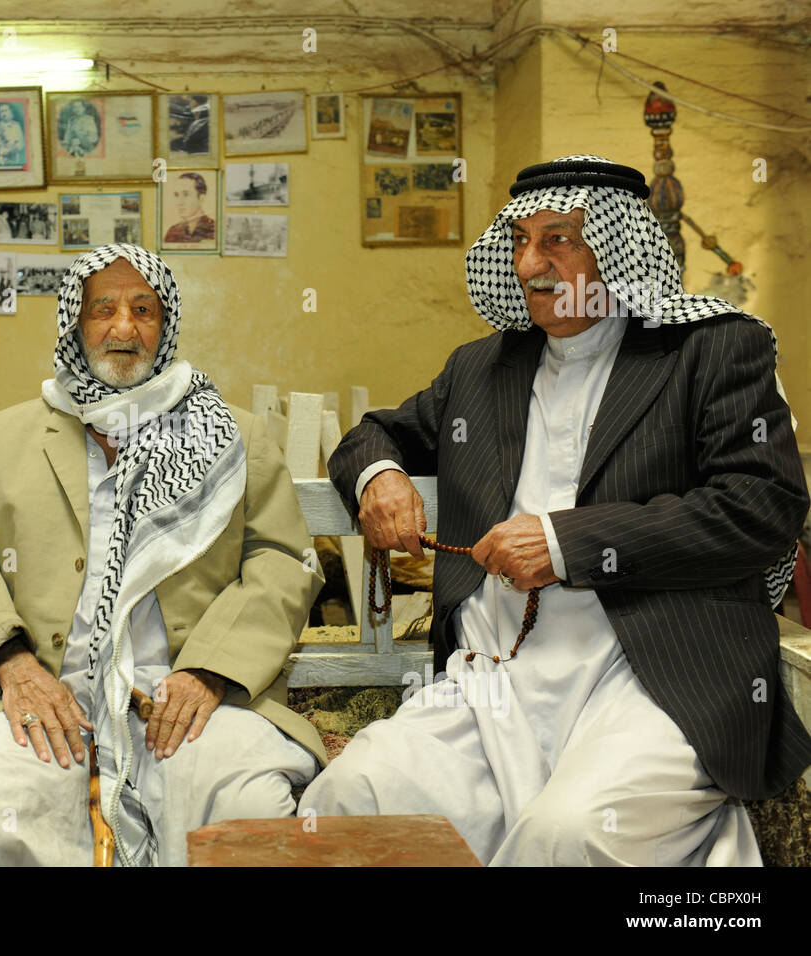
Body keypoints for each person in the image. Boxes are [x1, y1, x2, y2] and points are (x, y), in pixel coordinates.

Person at [302, 155, 811, 866]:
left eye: (559, 239)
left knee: (569, 835)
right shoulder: (483, 369)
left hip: (654, 675)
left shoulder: (712, 351)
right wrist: (381, 476)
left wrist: (567, 543)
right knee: (351, 797)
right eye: (518, 240)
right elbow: (372, 433)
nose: (530, 262)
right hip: (494, 677)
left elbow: (763, 504)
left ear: (616, 244)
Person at [0, 243, 325, 866]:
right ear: (74, 327)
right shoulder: (2, 440)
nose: (124, 327)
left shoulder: (232, 436)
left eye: (144, 309)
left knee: (249, 823)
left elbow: (281, 562)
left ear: (166, 327)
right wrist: (16, 665)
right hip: (38, 694)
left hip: (191, 698)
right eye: (102, 309)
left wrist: (209, 670)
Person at [163, 173, 216, 244]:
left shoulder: (215, 229)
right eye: (177, 195)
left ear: (201, 198)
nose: (179, 202)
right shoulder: (172, 232)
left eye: (186, 194)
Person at [0, 103, 25, 168]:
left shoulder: (16, 125)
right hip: (2, 159)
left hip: (15, 158)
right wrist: (0, 150)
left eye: (5, 110)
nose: (3, 113)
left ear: (10, 111)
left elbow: (21, 143)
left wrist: (11, 150)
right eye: (1, 111)